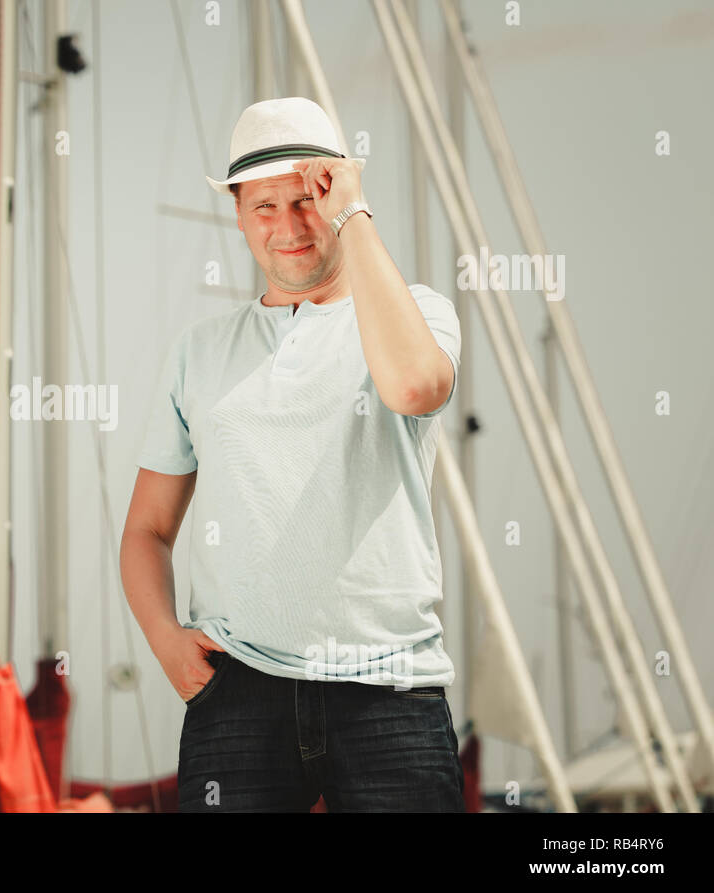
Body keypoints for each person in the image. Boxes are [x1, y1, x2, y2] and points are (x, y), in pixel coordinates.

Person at [119, 97, 465, 812]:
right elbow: (147, 529)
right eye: (265, 206)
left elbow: (414, 386)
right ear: (239, 215)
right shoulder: (197, 352)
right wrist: (166, 642)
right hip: (237, 696)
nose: (289, 226)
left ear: (337, 193)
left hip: (390, 692)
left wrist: (355, 213)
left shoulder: (419, 312)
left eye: (308, 200)